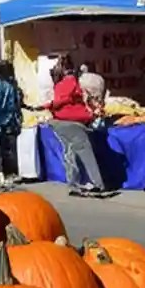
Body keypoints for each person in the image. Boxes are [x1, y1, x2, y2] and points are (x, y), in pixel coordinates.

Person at [39, 60, 110, 196]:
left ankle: (76, 184)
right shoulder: (73, 82)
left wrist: (47, 106)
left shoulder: (64, 83)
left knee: (71, 153)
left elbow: (61, 100)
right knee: (81, 152)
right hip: (74, 121)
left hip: (64, 121)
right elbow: (66, 100)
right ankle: (94, 183)